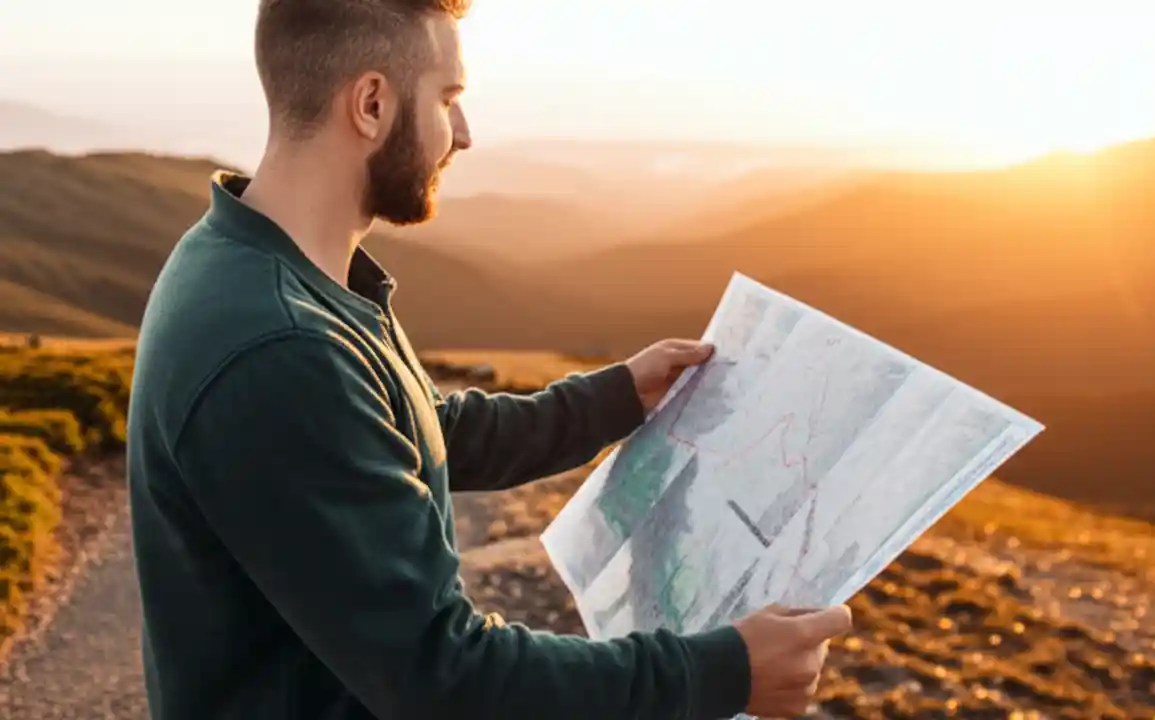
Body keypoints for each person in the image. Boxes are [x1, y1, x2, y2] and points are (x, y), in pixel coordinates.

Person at [125, 1, 852, 718]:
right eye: (448, 99)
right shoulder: (281, 347)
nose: (463, 134)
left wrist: (615, 398)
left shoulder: (258, 265)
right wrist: (719, 674)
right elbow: (443, 677)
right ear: (372, 103)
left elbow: (405, 433)